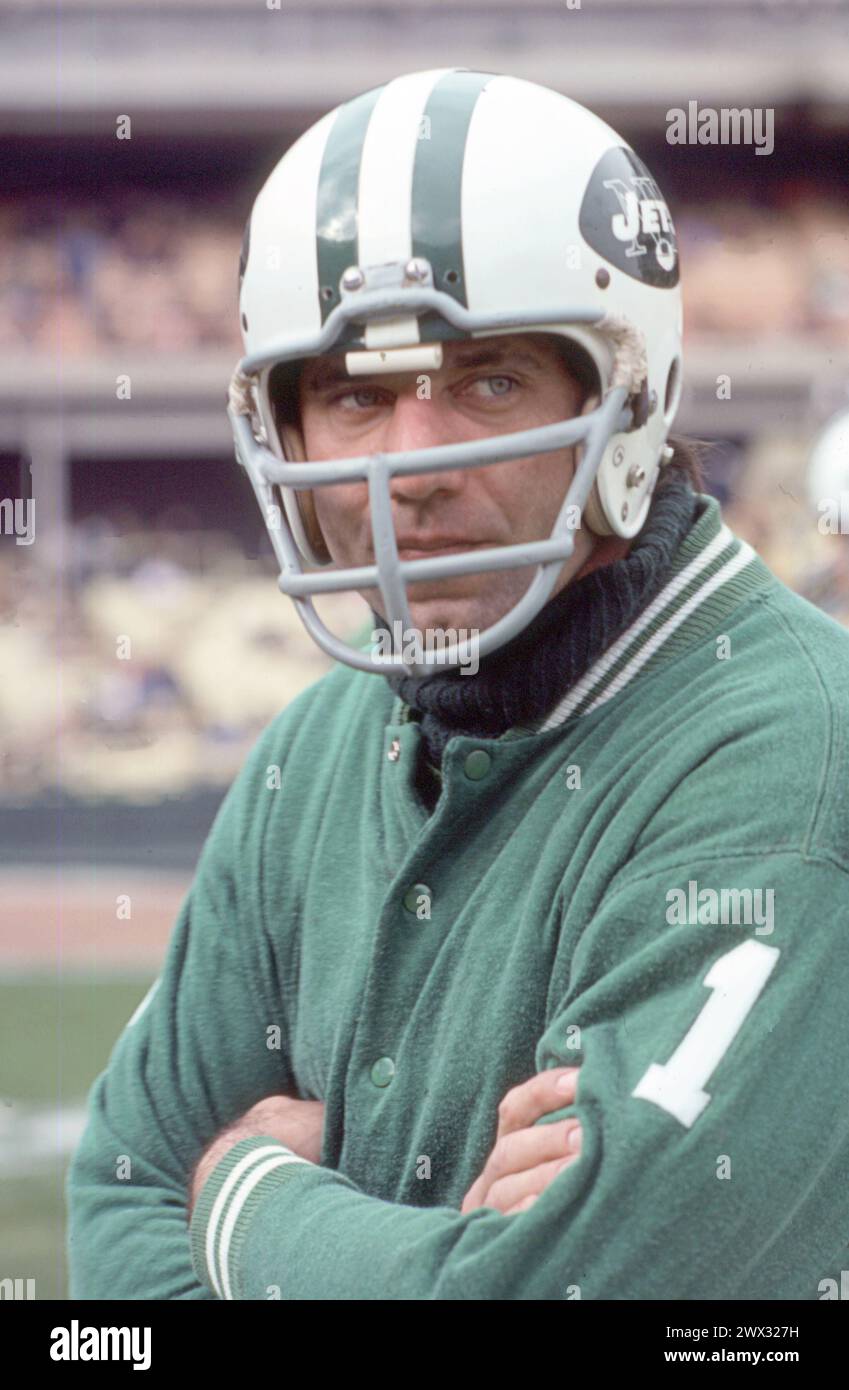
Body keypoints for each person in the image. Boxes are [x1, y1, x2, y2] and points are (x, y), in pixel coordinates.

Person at [67, 68, 849, 1301]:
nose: (411, 466)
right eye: (353, 395)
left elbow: (567, 1298)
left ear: (624, 400)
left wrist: (244, 1198)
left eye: (488, 381)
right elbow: (117, 1211)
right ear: (285, 430)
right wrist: (433, 1249)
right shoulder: (310, 749)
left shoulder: (785, 754)